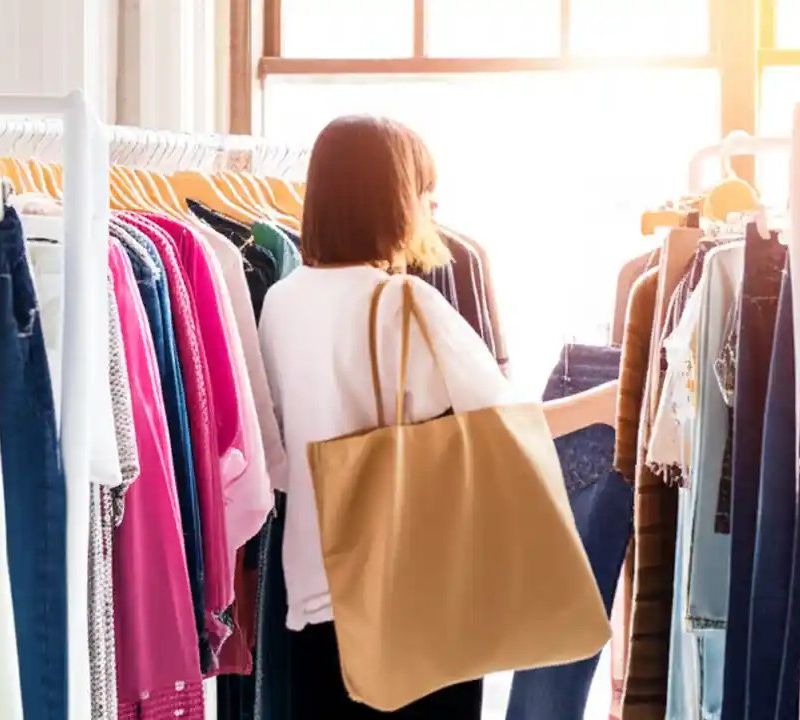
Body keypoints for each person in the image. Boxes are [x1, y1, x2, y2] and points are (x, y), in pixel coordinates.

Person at [259, 114, 611, 717]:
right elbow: (508, 424)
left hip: (313, 594)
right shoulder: (403, 302)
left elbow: (283, 463)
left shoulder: (280, 299)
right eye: (423, 189)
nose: (432, 203)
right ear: (390, 198)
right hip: (406, 601)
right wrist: (606, 402)